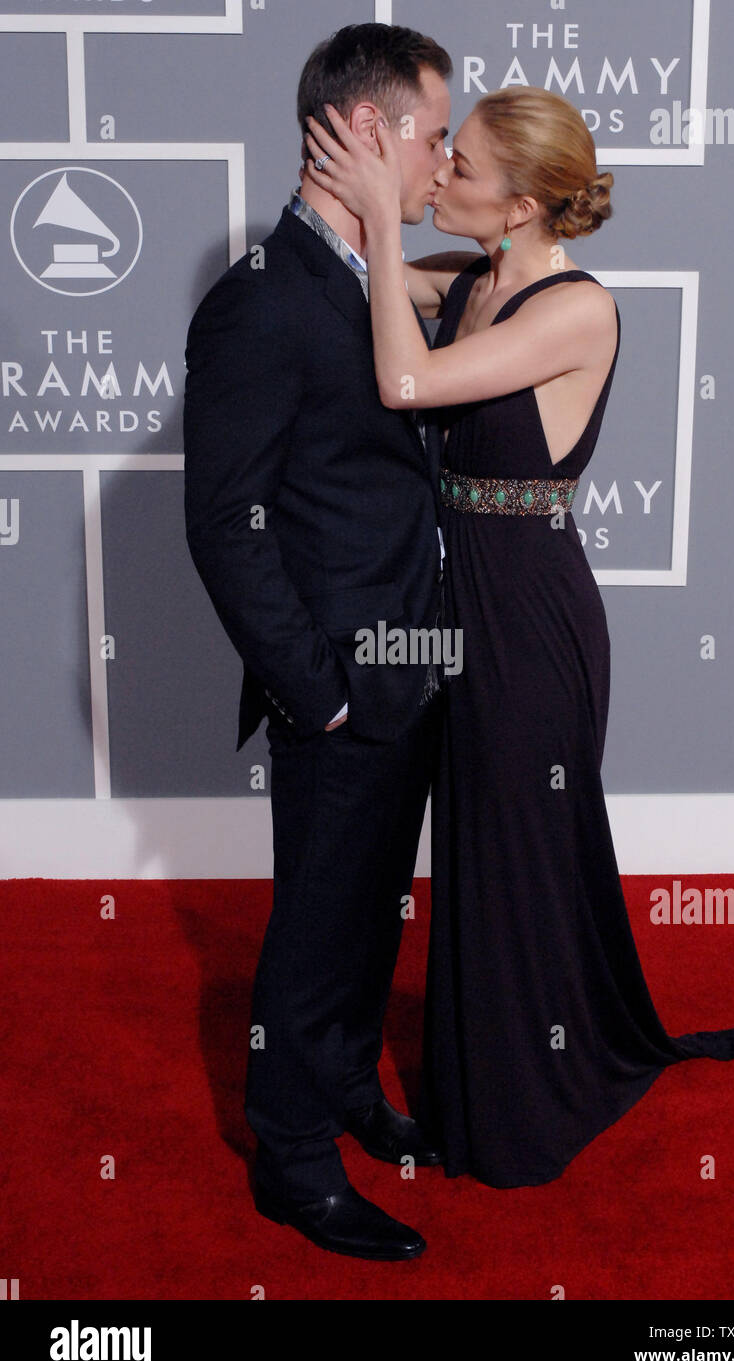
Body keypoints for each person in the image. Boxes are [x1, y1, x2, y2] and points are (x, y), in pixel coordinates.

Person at [303, 84, 734, 1190]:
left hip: (531, 620)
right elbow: (360, 272)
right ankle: (490, 1063)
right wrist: (366, 182)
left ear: (522, 205)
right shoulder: (473, 281)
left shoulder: (576, 309)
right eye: (441, 154)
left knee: (516, 853)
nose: (439, 174)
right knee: (475, 845)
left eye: (460, 167)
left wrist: (378, 212)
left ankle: (527, 1101)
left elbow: (404, 378)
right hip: (457, 612)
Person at [183, 23, 479, 1260]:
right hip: (343, 684)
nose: (445, 157)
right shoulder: (261, 302)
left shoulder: (378, 281)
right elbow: (224, 523)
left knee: (375, 912)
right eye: (432, 132)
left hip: (414, 663)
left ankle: (352, 1091)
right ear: (366, 130)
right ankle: (293, 1156)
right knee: (316, 924)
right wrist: (320, 693)